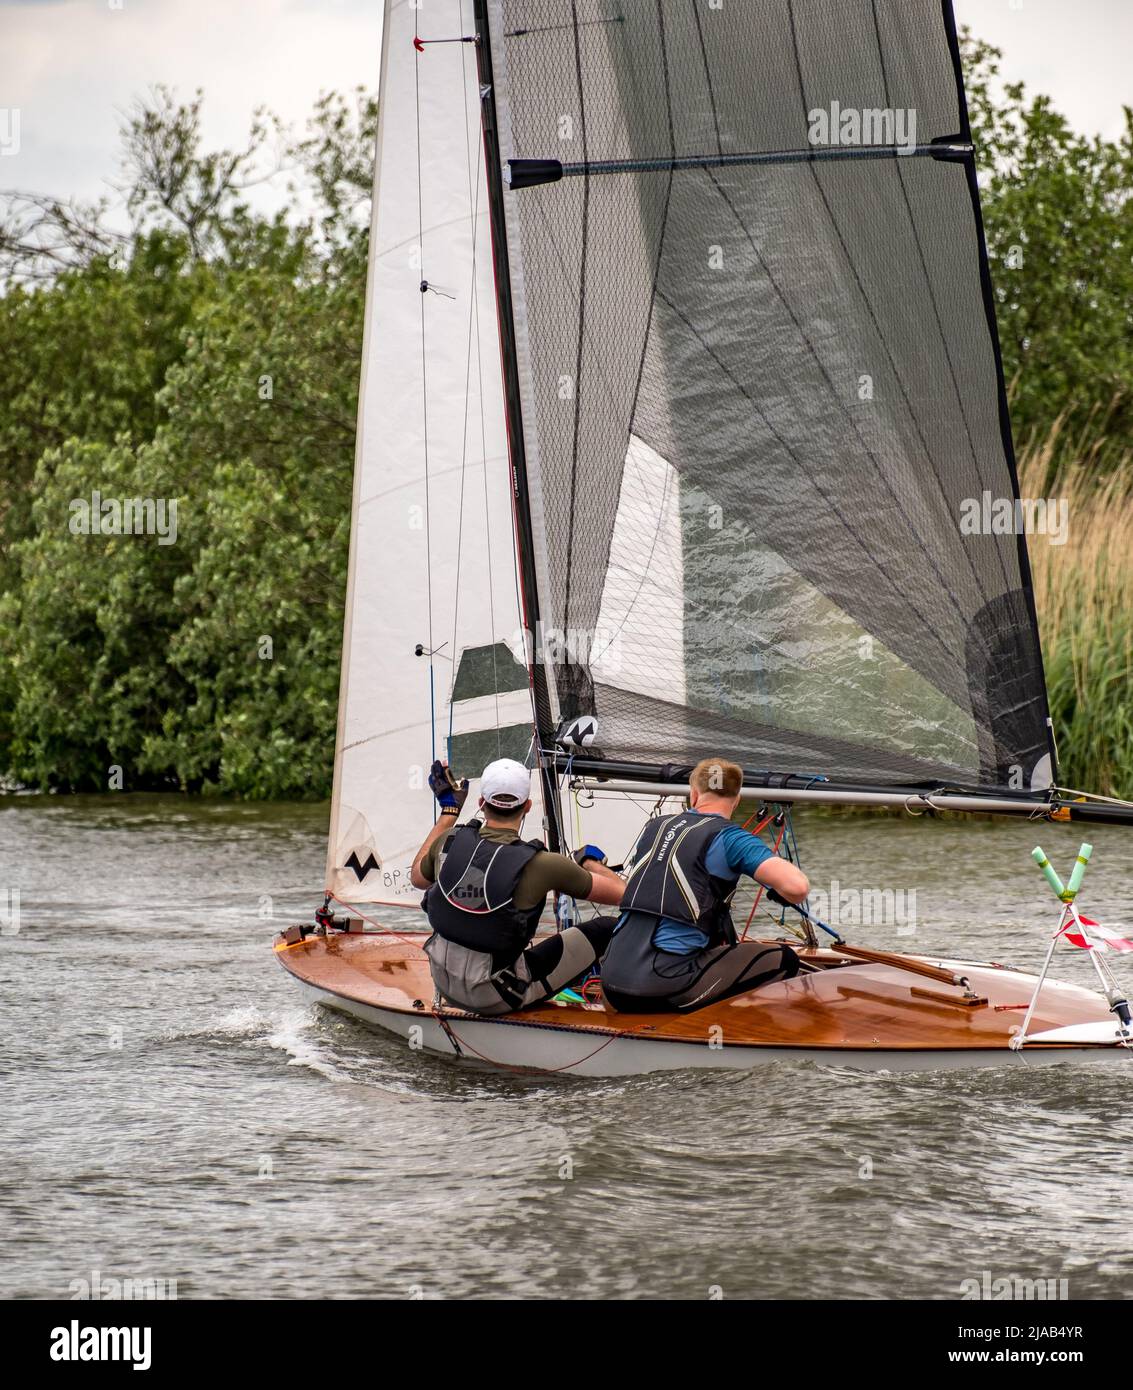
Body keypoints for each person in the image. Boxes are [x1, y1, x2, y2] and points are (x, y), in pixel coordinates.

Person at [410, 756, 625, 1015]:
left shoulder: (449, 841)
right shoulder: (543, 864)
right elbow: (626, 896)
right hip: (498, 996)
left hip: (444, 983)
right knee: (606, 928)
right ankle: (619, 1013)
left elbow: (418, 878)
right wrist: (590, 863)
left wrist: (449, 812)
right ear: (528, 806)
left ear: (481, 803)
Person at [600, 757, 808, 1012]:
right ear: (737, 799)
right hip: (664, 989)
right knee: (785, 959)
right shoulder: (731, 838)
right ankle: (731, 1036)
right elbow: (797, 888)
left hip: (612, 984)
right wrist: (780, 893)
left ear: (694, 794)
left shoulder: (654, 826)